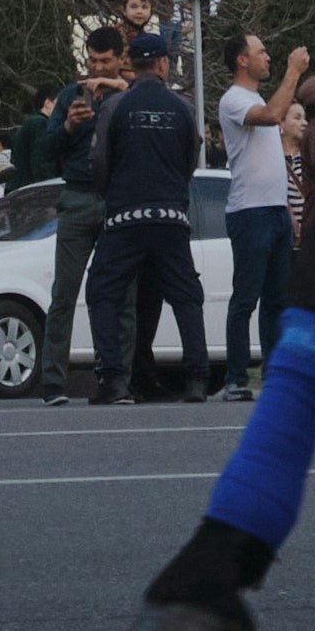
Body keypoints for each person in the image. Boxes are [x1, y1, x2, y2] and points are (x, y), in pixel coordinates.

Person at [83, 29, 213, 404]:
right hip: (171, 216)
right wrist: (172, 192)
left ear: (131, 65)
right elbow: (191, 157)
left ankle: (114, 379)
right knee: (186, 295)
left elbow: (100, 160)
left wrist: (113, 196)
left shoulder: (115, 106)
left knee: (103, 291)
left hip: (125, 216)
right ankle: (197, 379)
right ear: (162, 65)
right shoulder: (183, 109)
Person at [216, 34, 313, 354]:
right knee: (246, 298)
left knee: (277, 300)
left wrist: (285, 205)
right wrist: (294, 72)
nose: (268, 57)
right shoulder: (234, 100)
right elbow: (273, 116)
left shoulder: (256, 99)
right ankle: (237, 378)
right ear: (242, 60)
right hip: (250, 212)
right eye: (261, 52)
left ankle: (273, 372)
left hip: (274, 211)